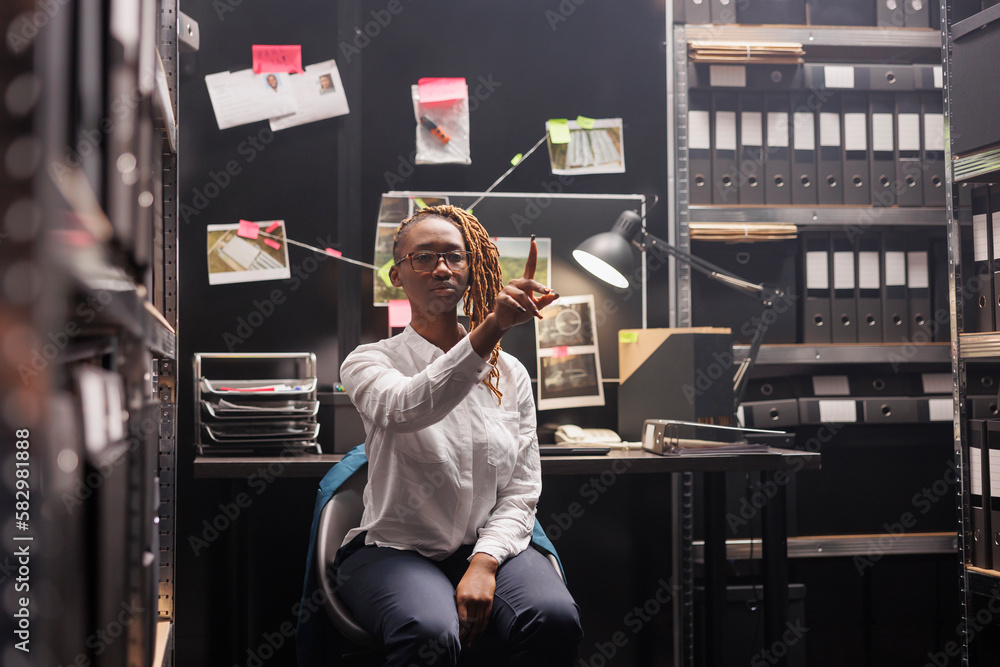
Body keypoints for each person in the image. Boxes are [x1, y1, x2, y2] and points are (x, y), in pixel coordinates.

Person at [338, 205, 583, 666]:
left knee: (553, 617)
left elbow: (521, 490)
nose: (441, 268)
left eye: (454, 256)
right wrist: (492, 327)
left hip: (489, 546)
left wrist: (485, 562)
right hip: (397, 549)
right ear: (396, 275)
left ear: (471, 270)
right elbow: (405, 407)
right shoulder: (369, 361)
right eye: (423, 257)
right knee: (428, 632)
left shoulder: (510, 373)